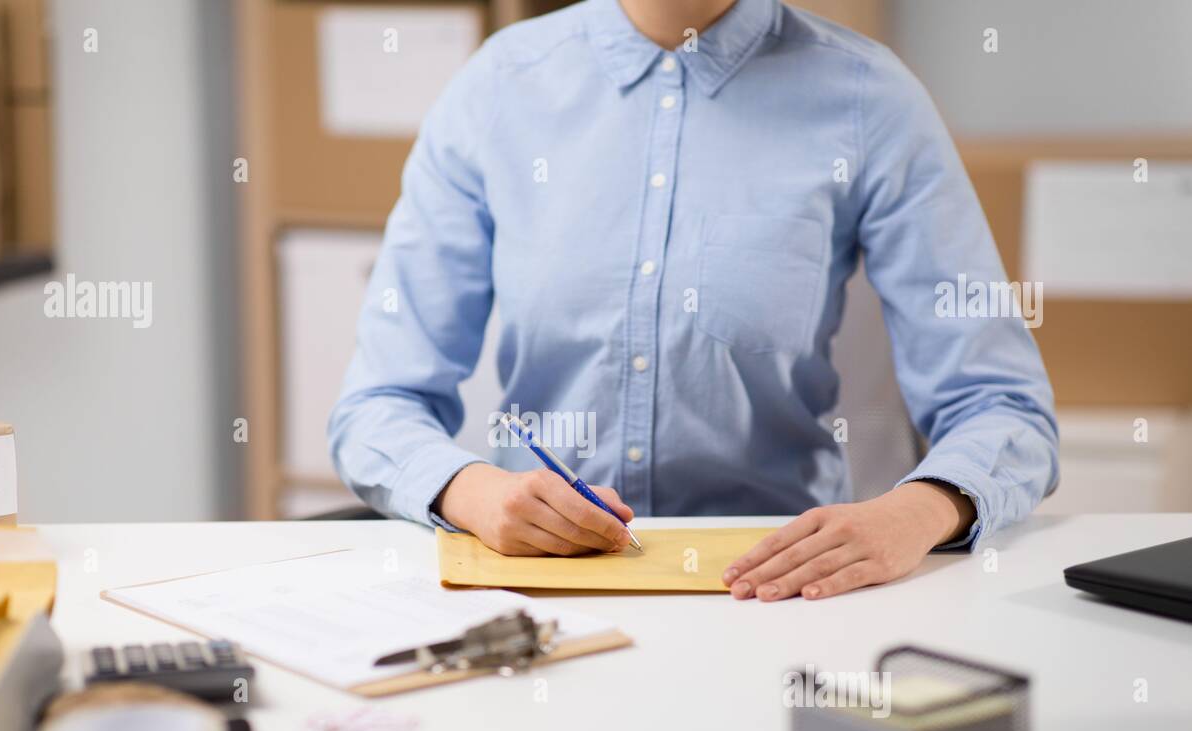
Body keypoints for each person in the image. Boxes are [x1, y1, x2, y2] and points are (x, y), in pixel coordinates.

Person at [329, 0, 1059, 602]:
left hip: (777, 591)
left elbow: (1002, 404)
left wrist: (915, 512)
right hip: (536, 593)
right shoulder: (496, 90)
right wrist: (473, 492)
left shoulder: (868, 97)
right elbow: (378, 404)